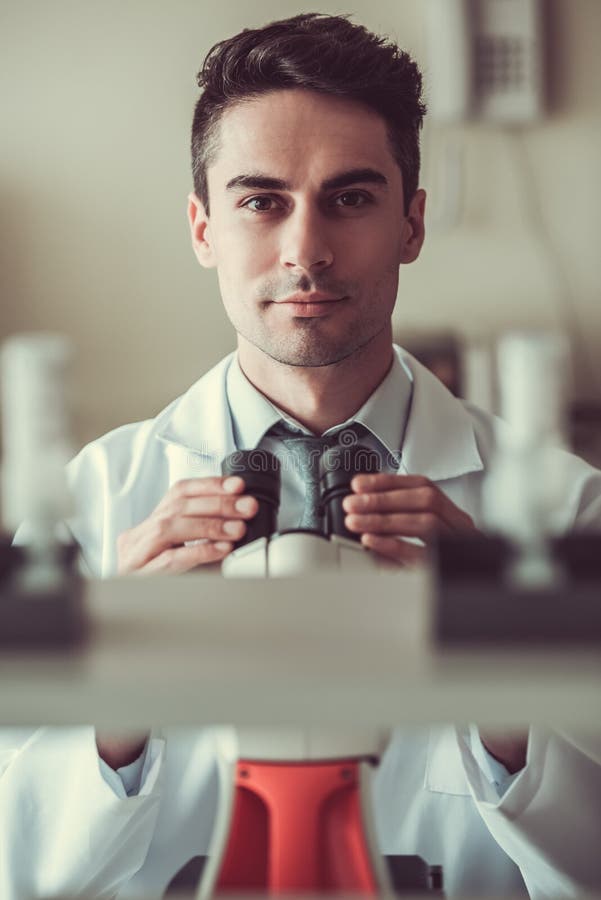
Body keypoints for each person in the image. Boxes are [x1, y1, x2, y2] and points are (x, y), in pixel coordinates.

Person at [3, 12, 601, 899]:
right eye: (261, 201)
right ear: (204, 228)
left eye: (351, 198)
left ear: (411, 223)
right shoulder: (90, 507)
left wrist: (503, 693)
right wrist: (115, 701)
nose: (305, 251)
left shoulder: (563, 510)